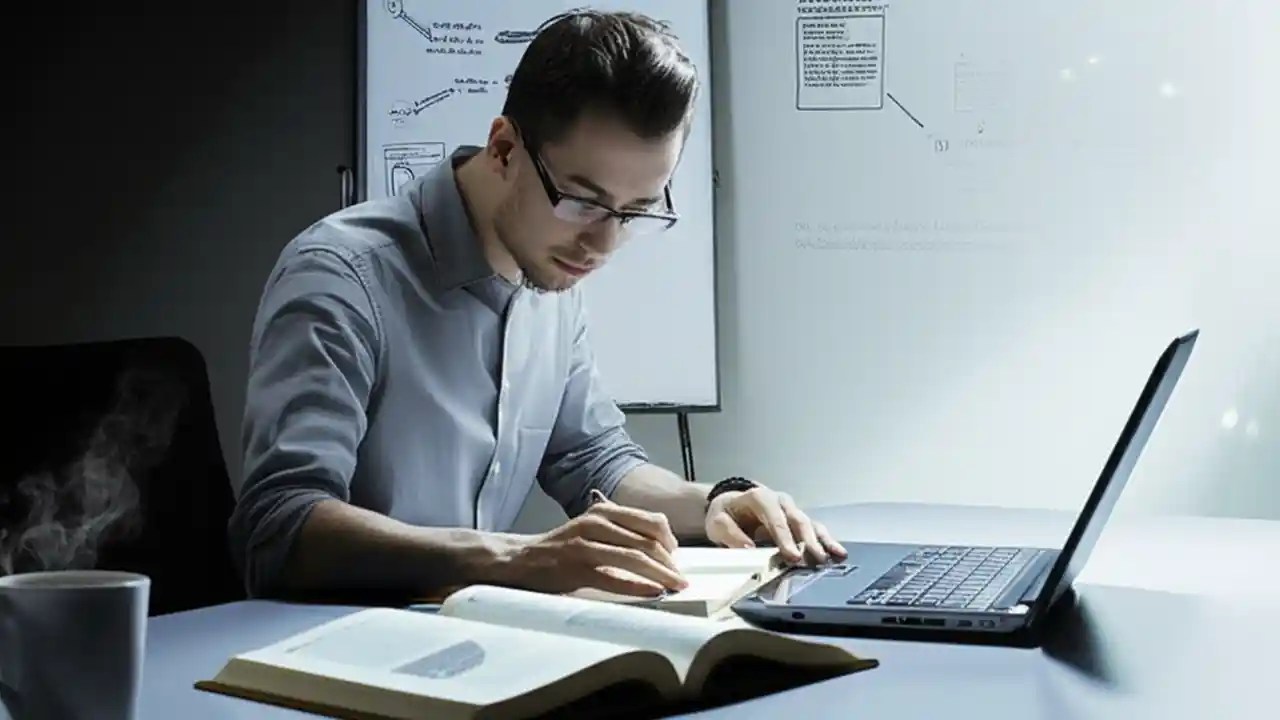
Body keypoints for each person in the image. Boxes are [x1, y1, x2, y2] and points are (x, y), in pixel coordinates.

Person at [228, 9, 846, 601]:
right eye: (581, 200)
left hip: (479, 650)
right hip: (335, 663)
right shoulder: (342, 277)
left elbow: (592, 458)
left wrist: (717, 502)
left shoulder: (548, 273)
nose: (604, 244)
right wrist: (515, 560)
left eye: (634, 212)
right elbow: (278, 527)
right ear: (503, 149)